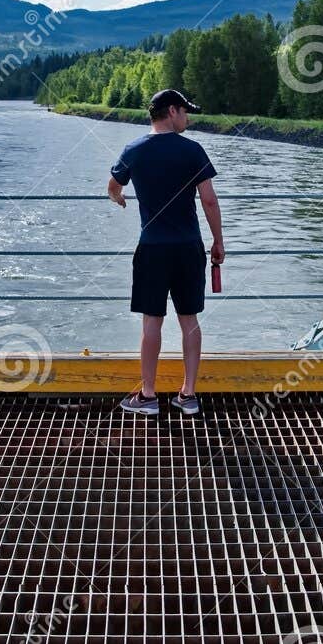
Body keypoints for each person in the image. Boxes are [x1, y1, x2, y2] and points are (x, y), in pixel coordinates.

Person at [107, 88, 225, 415]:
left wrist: (120, 199)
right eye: (186, 111)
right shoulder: (193, 151)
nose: (188, 117)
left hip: (153, 248)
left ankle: (147, 396)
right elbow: (209, 200)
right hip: (188, 247)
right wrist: (218, 241)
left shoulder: (134, 150)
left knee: (151, 324)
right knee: (190, 321)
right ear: (172, 111)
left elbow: (113, 187)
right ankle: (188, 395)